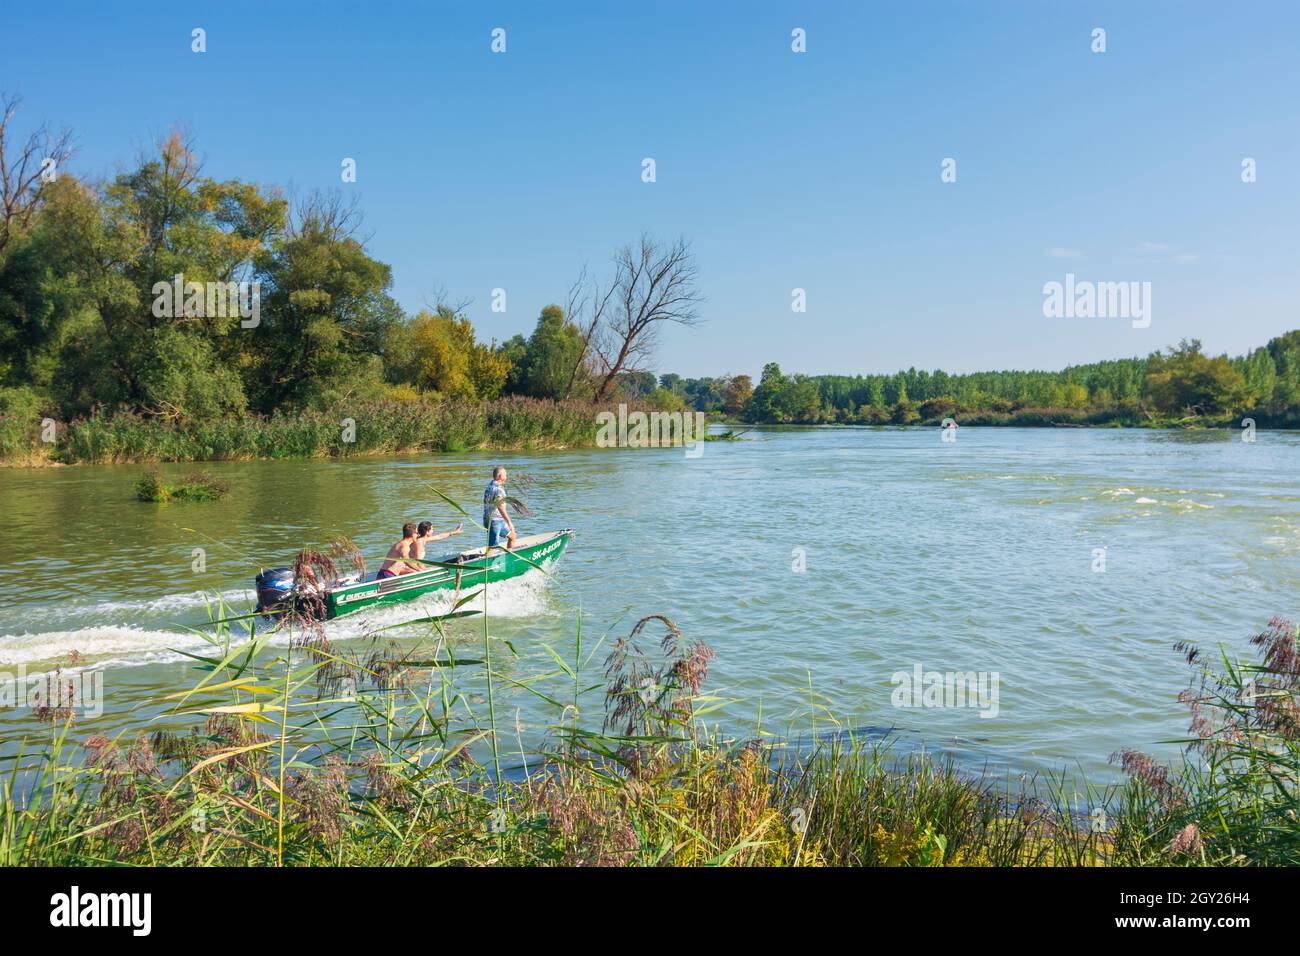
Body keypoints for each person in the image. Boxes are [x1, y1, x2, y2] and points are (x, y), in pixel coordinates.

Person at [482, 465, 517, 552]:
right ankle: (488, 564)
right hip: (494, 521)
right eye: (505, 474)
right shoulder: (498, 489)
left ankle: (509, 557)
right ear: (500, 476)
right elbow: (500, 506)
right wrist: (509, 522)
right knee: (493, 546)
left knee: (512, 536)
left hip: (491, 519)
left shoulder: (490, 485)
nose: (506, 477)